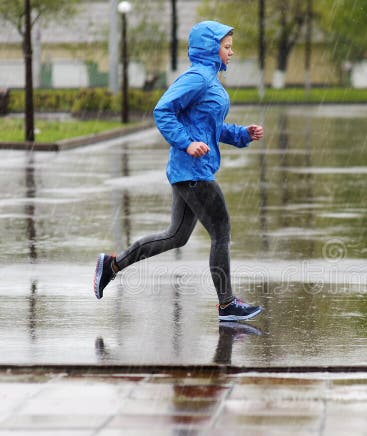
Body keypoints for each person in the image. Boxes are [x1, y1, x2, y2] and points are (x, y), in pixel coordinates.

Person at [94, 20, 264, 322]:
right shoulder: (198, 78)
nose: (231, 52)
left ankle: (112, 266)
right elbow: (163, 110)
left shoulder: (209, 79)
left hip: (191, 171)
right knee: (221, 230)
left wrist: (242, 135)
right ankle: (227, 305)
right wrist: (187, 144)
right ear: (211, 48)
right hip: (193, 171)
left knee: (176, 236)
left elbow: (210, 127)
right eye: (226, 47)